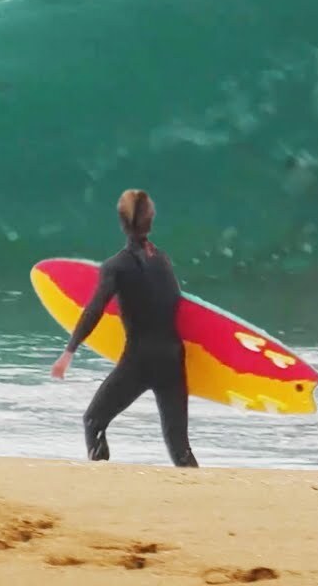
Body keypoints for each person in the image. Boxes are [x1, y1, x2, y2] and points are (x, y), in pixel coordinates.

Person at [50, 189, 199, 468]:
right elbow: (175, 305)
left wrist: (69, 351)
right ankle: (201, 496)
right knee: (179, 443)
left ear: (121, 223)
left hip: (140, 361)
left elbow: (95, 308)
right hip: (172, 358)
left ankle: (104, 478)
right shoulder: (163, 261)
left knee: (94, 420)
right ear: (150, 221)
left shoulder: (115, 266)